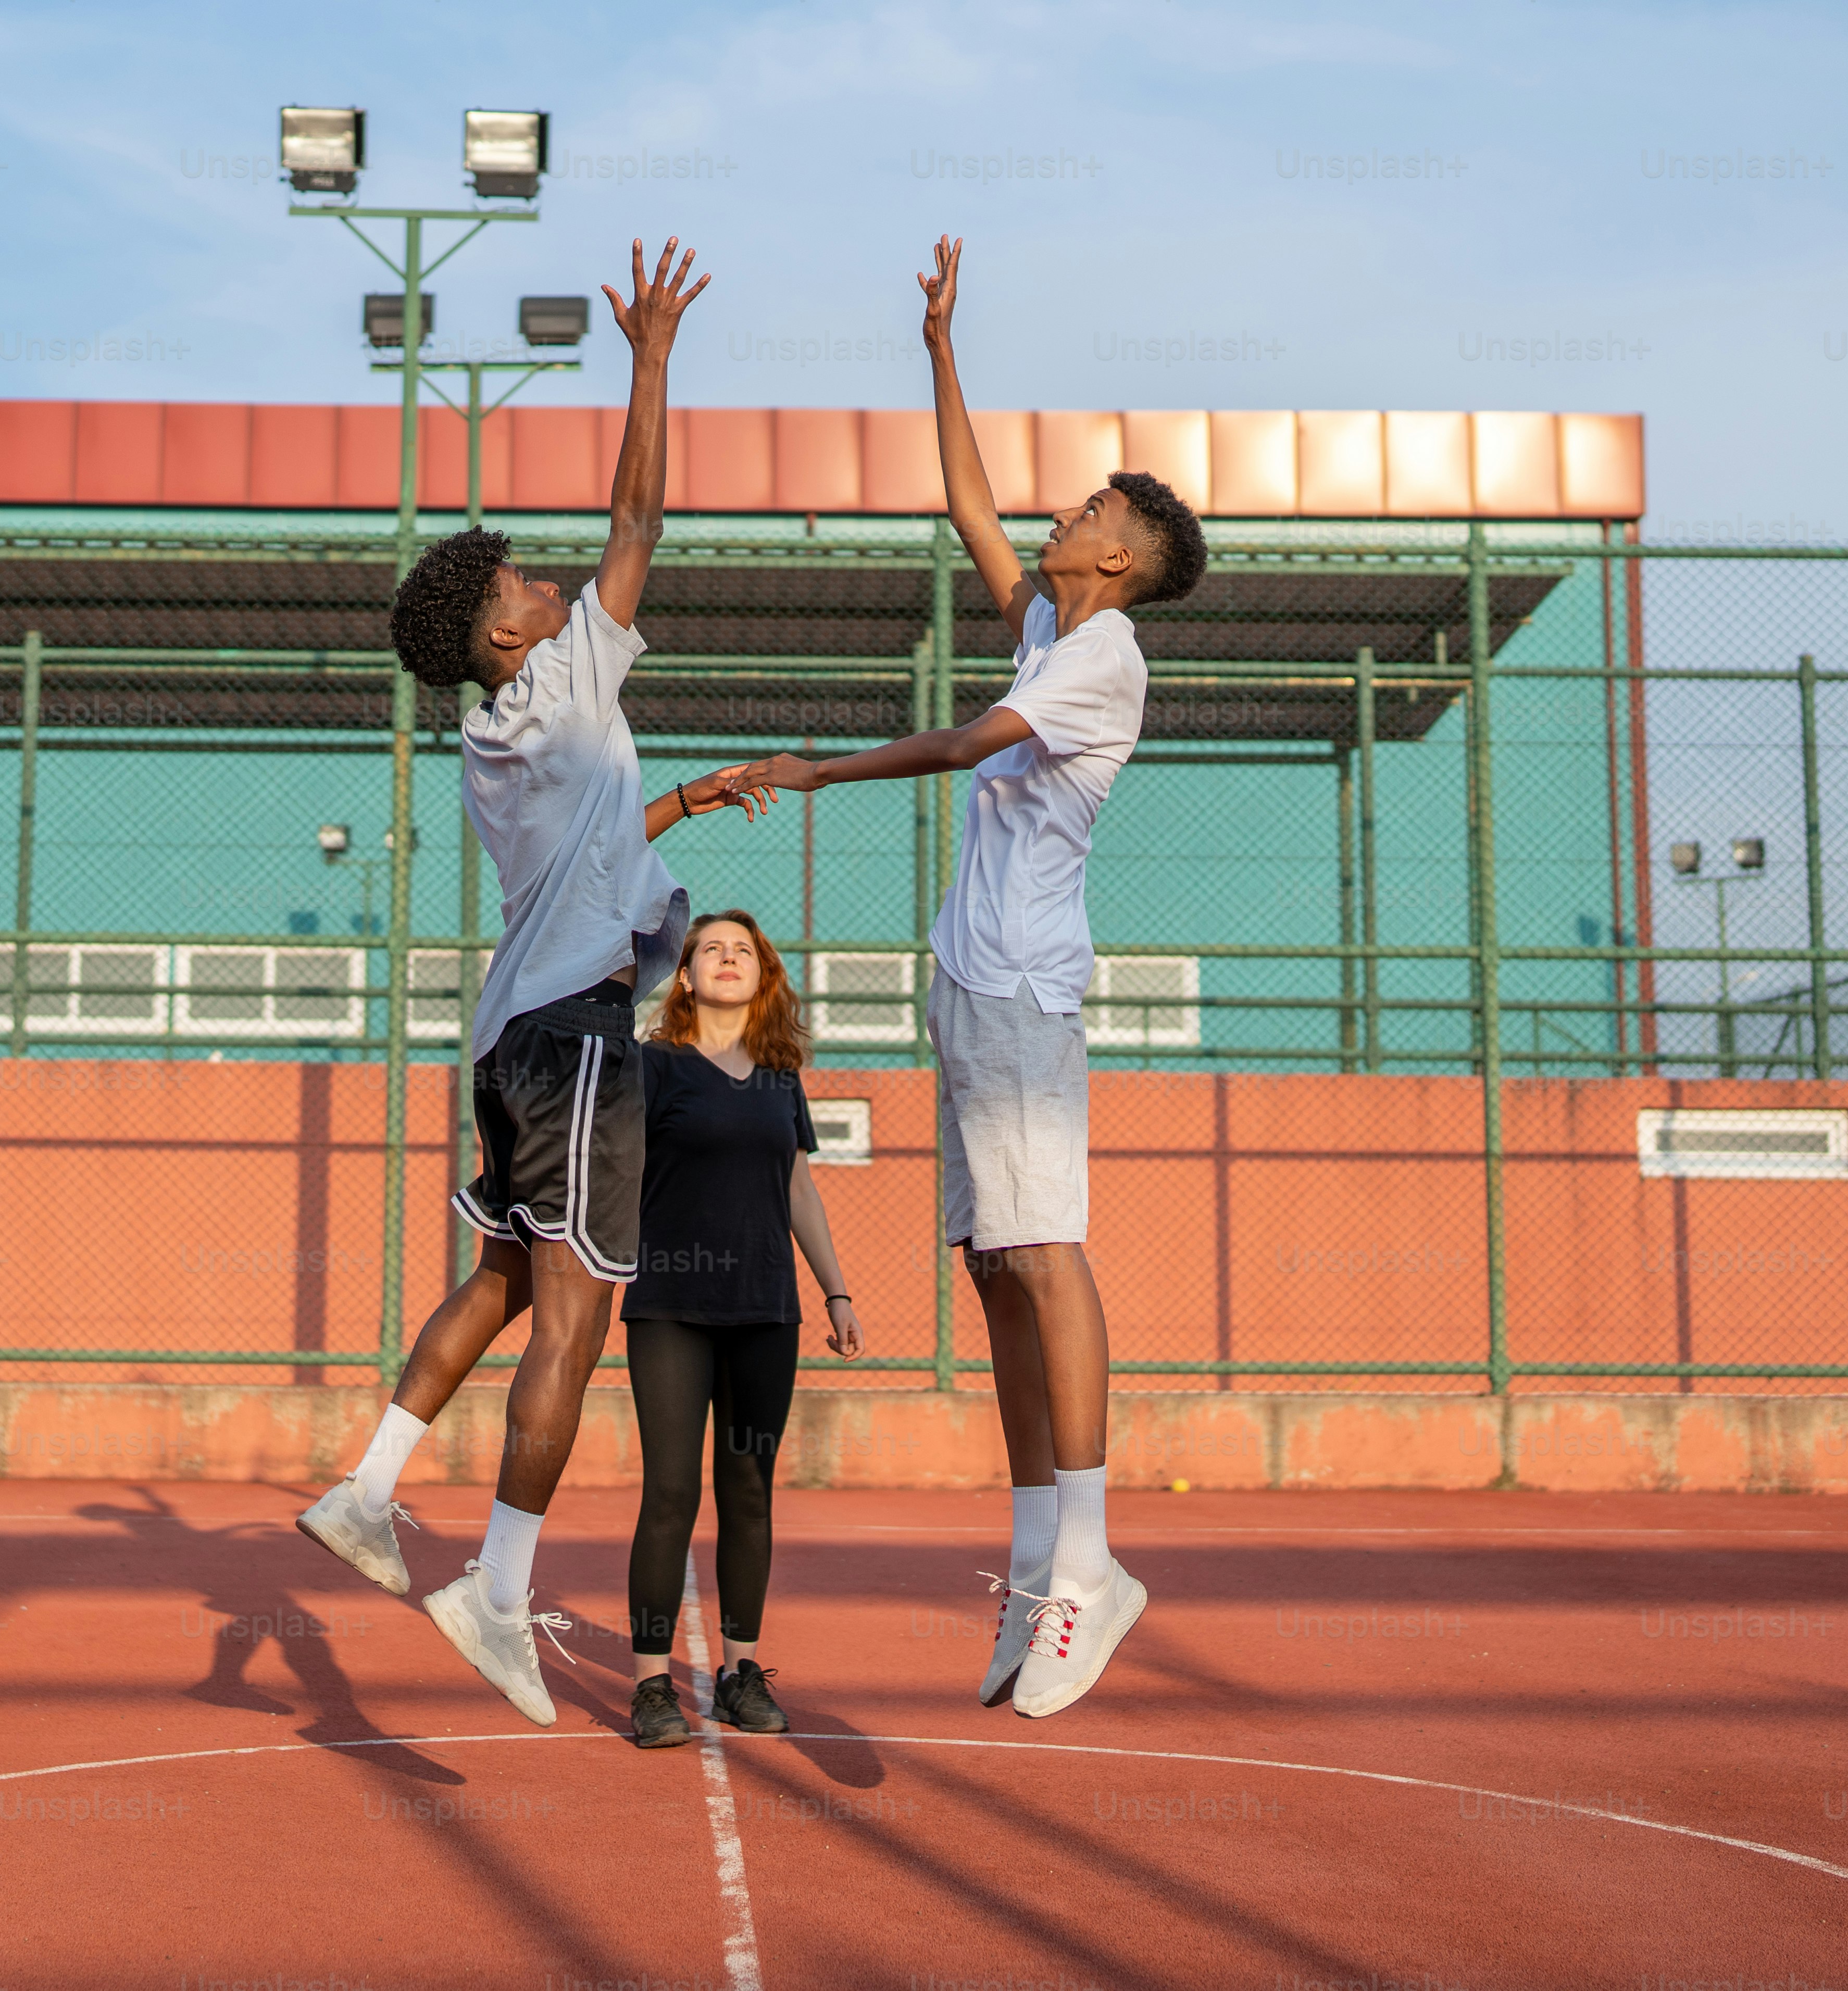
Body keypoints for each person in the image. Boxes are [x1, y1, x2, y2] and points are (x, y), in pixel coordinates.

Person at [716, 235, 1205, 1719]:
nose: (1067, 512)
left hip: (1020, 991)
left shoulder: (1099, 659)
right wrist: (939, 348)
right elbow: (973, 509)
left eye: (1094, 506)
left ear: (1119, 555)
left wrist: (814, 769)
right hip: (973, 983)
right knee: (994, 1268)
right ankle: (1036, 1557)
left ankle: (1097, 1564)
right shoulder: (1061, 621)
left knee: (1045, 1255)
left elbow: (960, 745)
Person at [297, 237, 749, 1730]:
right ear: (507, 633)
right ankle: (494, 1590)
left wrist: (683, 801)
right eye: (520, 578)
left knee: (498, 1279)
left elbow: (597, 852)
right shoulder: (566, 677)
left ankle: (368, 1490)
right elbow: (642, 513)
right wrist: (654, 354)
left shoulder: (498, 739)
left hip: (509, 1041)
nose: (545, 576)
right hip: (579, 1044)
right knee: (575, 1317)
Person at [622, 908, 863, 1752]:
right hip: (669, 1309)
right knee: (670, 1495)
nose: (728, 959)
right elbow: (615, 1181)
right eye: (711, 950)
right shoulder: (650, 1068)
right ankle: (653, 1683)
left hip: (767, 1308)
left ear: (763, 977)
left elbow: (798, 1187)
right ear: (684, 976)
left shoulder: (780, 1077)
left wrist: (836, 1292)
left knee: (750, 1492)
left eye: (743, 952)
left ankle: (738, 1673)